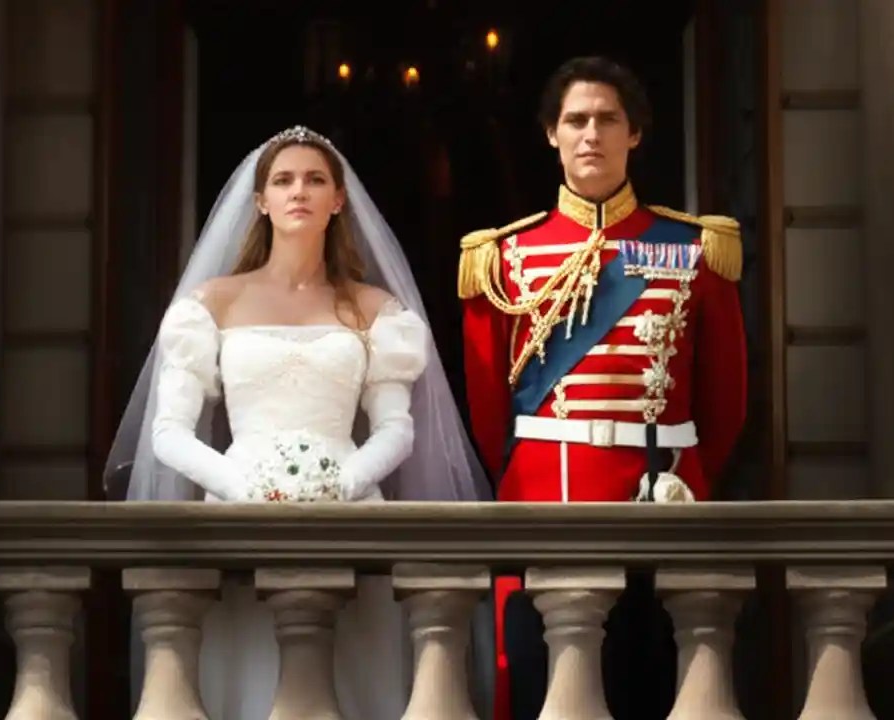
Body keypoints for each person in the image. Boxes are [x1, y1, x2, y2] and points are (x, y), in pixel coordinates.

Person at [106, 125, 491, 719]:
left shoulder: (374, 310)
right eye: (283, 181)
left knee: (354, 677)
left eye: (314, 180)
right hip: (238, 518)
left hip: (350, 516)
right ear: (261, 201)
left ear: (338, 199)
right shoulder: (212, 303)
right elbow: (168, 432)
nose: (299, 191)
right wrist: (244, 488)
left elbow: (396, 430)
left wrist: (339, 483)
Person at [458, 57, 748, 719]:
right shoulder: (501, 258)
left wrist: (681, 473)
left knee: (658, 689)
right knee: (542, 691)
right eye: (576, 120)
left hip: (660, 496)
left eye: (607, 120)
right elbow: (488, 410)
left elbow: (725, 402)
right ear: (551, 135)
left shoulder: (696, 250)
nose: (591, 134)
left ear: (634, 133)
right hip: (544, 496)